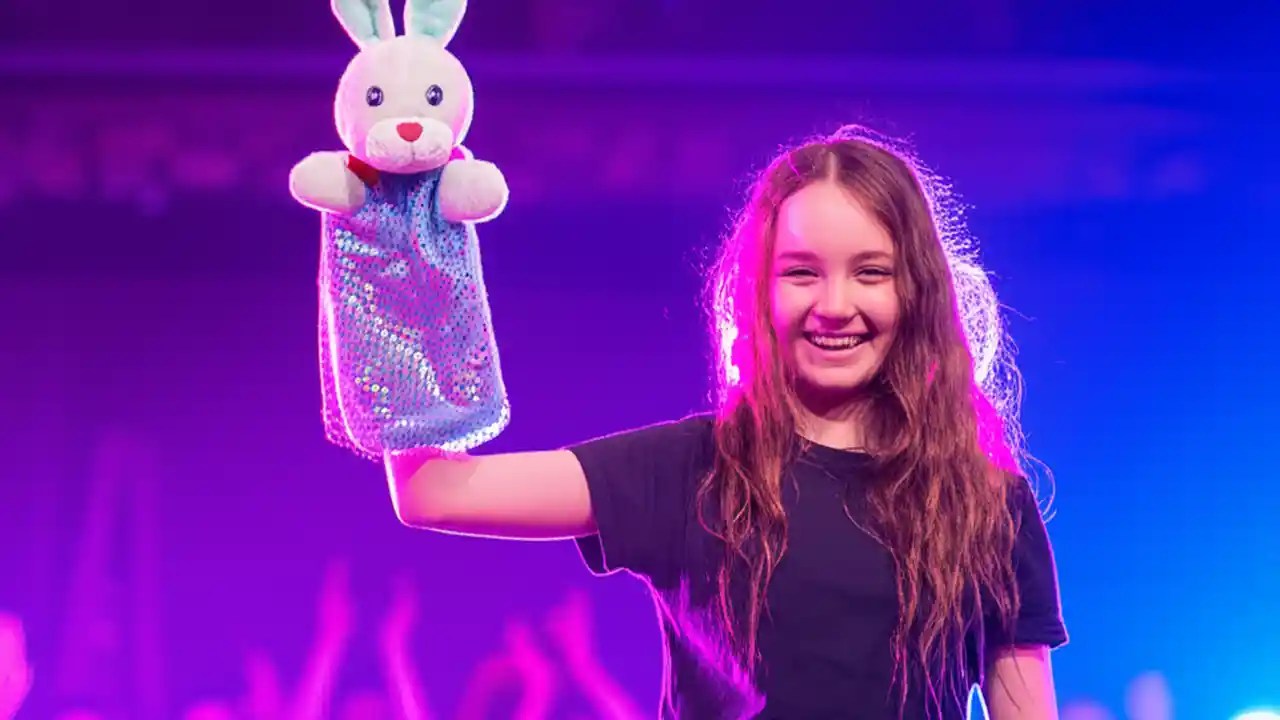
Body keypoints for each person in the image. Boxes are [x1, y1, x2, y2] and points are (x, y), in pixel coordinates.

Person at [384, 125, 1068, 719]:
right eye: (802, 273)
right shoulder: (688, 473)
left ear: (915, 291)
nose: (834, 304)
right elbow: (432, 493)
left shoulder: (984, 506)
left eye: (870, 273)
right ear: (757, 290)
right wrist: (400, 250)